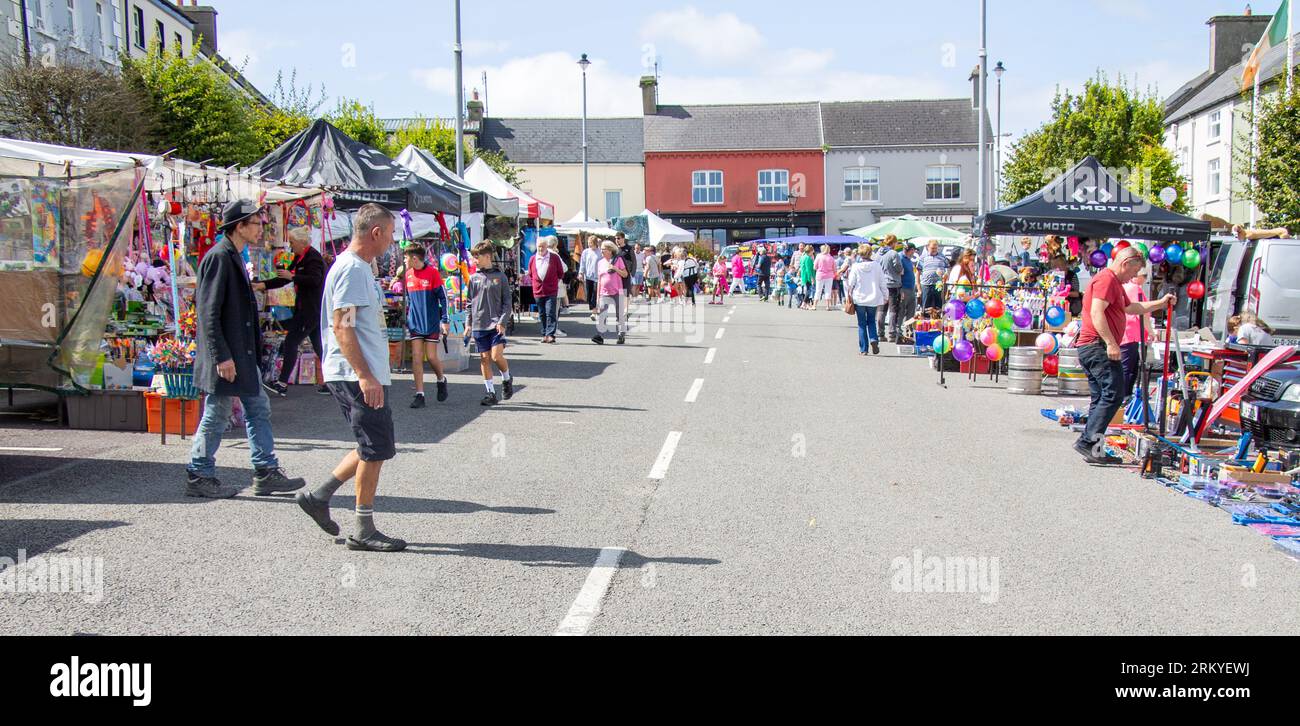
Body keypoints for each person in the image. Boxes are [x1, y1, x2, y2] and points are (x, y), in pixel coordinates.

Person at [296, 203, 403, 552]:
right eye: (389, 234)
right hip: (356, 373)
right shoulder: (353, 270)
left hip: (359, 371)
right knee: (375, 449)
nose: (391, 241)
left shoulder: (357, 268)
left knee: (372, 445)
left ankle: (319, 495)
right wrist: (365, 375)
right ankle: (363, 529)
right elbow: (343, 326)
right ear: (376, 233)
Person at [186, 200, 307, 499]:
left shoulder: (234, 255)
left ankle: (265, 470)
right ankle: (199, 473)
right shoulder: (219, 257)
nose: (261, 228)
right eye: (256, 223)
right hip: (229, 355)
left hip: (241, 354)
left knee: (257, 408)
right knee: (217, 412)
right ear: (239, 225)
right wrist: (222, 356)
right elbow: (208, 312)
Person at [1073, 246, 1175, 465]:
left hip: (1093, 345)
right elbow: (1096, 312)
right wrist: (1111, 342)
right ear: (1125, 263)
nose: (1132, 277)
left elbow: (1132, 308)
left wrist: (1160, 303)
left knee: (1102, 396)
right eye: (1132, 272)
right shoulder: (1107, 280)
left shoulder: (1115, 284)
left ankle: (1094, 447)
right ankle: (1088, 441)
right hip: (1097, 345)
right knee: (1114, 393)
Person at [259, 227, 327, 397]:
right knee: (319, 347)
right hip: (309, 309)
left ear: (303, 242)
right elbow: (284, 277)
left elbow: (315, 280)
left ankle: (282, 383)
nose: (290, 246)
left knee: (291, 342)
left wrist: (293, 277)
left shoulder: (313, 258)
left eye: (292, 242)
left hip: (310, 310)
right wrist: (263, 285)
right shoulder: (300, 256)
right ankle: (334, 383)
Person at [395, 243, 450, 408]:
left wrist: (445, 320)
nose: (404, 261)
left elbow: (443, 298)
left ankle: (441, 379)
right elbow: (411, 300)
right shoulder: (408, 275)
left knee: (432, 357)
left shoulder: (432, 273)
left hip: (431, 322)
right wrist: (408, 317)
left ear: (414, 258)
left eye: (405, 258)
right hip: (415, 323)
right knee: (417, 357)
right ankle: (420, 394)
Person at [467, 241, 514, 405]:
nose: (474, 261)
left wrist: (502, 321)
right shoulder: (473, 278)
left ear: (487, 257)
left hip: (496, 325)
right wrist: (468, 323)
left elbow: (508, 303)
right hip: (479, 324)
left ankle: (507, 378)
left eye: (476, 257)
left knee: (496, 356)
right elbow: (469, 303)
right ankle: (490, 393)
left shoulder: (500, 277)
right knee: (484, 358)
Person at [845, 244, 888, 356]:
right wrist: (885, 296)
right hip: (873, 298)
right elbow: (882, 283)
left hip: (859, 298)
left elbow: (851, 283)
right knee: (871, 321)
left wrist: (848, 295)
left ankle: (864, 349)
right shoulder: (877, 266)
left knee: (861, 324)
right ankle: (873, 338)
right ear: (870, 253)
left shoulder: (856, 267)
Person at [1120, 268, 1154, 402]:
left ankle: (1125, 396)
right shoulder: (1134, 289)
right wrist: (1151, 331)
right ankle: (1123, 397)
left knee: (1131, 367)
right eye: (1144, 277)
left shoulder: (1125, 287)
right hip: (1130, 334)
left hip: (1126, 333)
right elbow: (1142, 312)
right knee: (1128, 369)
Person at [529, 235, 565, 345]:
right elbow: (531, 274)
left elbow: (560, 273)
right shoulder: (533, 258)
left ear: (546, 247)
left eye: (543, 247)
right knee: (542, 313)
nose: (540, 249)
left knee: (550, 312)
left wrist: (553, 282)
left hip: (551, 290)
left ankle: (550, 334)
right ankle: (544, 333)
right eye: (539, 247)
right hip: (538, 290)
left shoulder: (554, 257)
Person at [592, 240, 629, 345]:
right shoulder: (600, 262)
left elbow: (625, 274)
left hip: (618, 291)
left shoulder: (618, 260)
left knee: (619, 315)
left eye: (603, 249)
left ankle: (621, 334)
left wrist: (615, 268)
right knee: (602, 314)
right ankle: (600, 336)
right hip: (604, 292)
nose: (601, 251)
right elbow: (599, 279)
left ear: (610, 250)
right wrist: (598, 296)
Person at [876, 236, 905, 340]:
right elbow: (898, 267)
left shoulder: (878, 254)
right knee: (893, 309)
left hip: (881, 283)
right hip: (893, 283)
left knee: (881, 308)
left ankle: (880, 333)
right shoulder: (893, 253)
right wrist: (901, 270)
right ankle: (892, 333)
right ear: (893, 243)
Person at [917, 239, 949, 311]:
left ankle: (938, 321)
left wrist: (945, 275)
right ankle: (925, 321)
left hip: (939, 286)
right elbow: (918, 273)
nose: (934, 250)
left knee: (939, 308)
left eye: (936, 248)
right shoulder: (922, 257)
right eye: (932, 248)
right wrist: (919, 288)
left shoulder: (942, 257)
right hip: (926, 285)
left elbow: (948, 270)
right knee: (926, 309)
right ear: (927, 247)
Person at [580, 235, 600, 320]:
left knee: (595, 294)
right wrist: (581, 273)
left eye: (590, 243)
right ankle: (594, 309)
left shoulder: (600, 252)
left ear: (595, 243)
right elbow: (582, 263)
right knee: (589, 294)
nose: (589, 244)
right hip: (588, 276)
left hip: (597, 277)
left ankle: (594, 312)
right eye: (588, 243)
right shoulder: (585, 252)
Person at [899, 243, 918, 333]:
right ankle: (898, 329)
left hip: (911, 288)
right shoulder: (900, 258)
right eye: (913, 250)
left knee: (911, 310)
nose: (914, 252)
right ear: (910, 250)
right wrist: (901, 289)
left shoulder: (908, 259)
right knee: (902, 310)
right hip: (904, 288)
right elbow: (899, 274)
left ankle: (909, 328)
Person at [799, 244, 816, 310]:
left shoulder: (803, 257)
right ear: (810, 251)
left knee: (806, 290)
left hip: (803, 275)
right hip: (807, 276)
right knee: (808, 291)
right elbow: (808, 269)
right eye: (812, 250)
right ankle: (803, 304)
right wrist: (811, 278)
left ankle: (807, 305)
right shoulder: (808, 258)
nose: (813, 252)